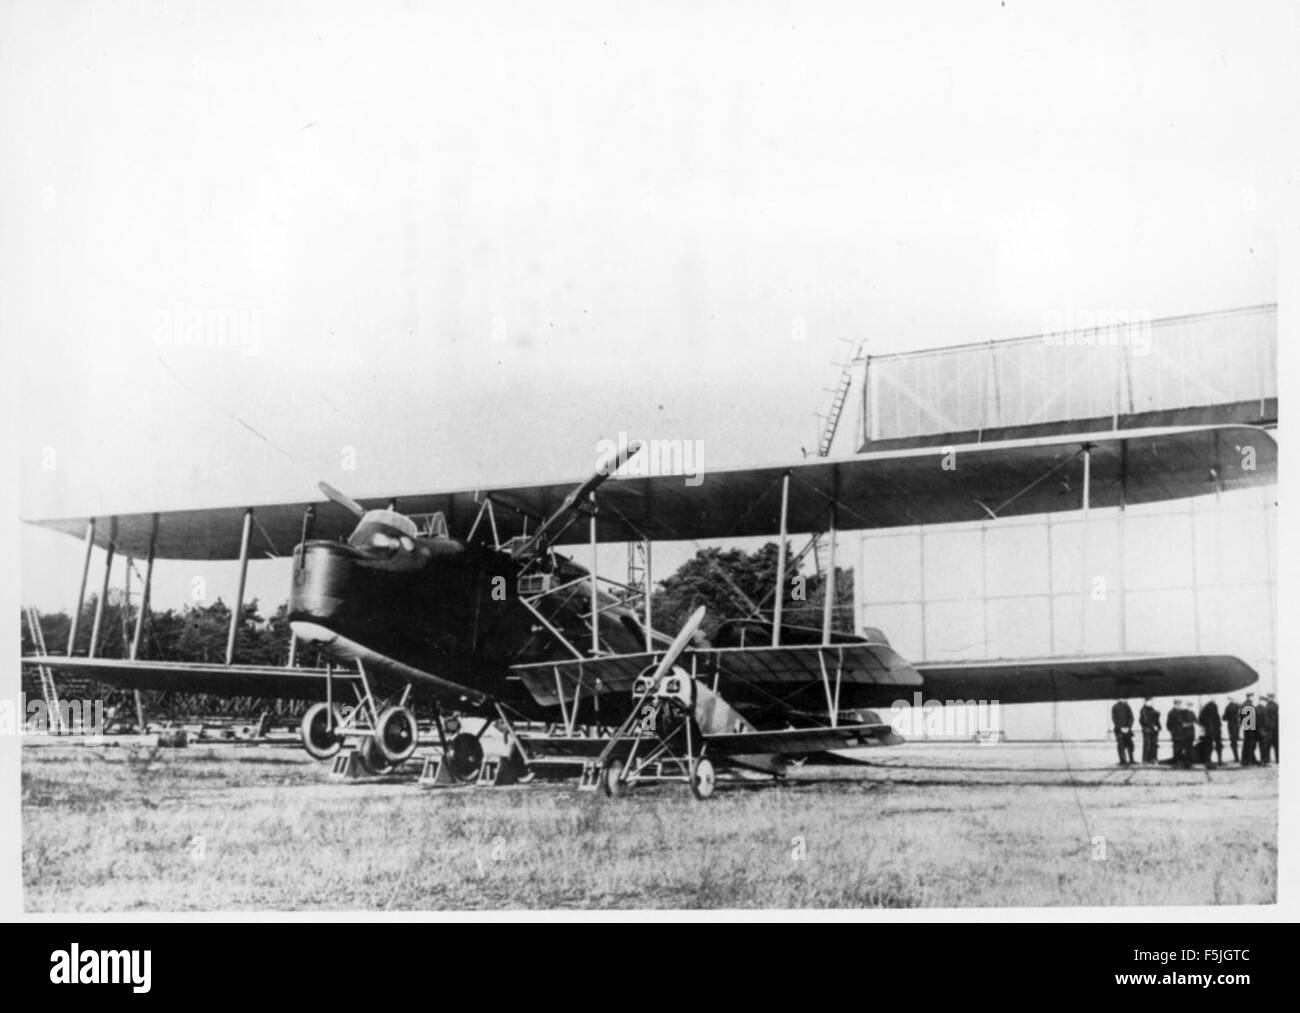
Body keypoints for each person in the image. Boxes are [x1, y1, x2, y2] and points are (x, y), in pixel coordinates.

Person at [1167, 700, 1196, 768]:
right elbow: (1170, 724)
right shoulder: (1172, 713)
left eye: (1180, 704)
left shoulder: (1181, 712)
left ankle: (1183, 763)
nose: (1179, 706)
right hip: (1177, 734)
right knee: (1177, 749)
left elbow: (1189, 716)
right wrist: (1172, 731)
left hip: (1182, 734)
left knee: (1183, 748)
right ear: (1175, 705)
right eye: (1178, 704)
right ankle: (1177, 763)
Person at [1111, 699, 1135, 766]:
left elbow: (1131, 718)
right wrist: (1124, 728)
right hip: (1120, 730)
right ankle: (1124, 760)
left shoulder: (1126, 706)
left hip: (1124, 729)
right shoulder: (1116, 707)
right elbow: (1114, 719)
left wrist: (1127, 727)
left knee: (1128, 745)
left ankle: (1129, 760)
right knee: (1122, 745)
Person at [1198, 699, 1223, 766]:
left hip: (1208, 732)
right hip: (1216, 731)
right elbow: (1219, 723)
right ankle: (1219, 760)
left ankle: (1208, 760)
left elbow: (1201, 721)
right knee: (1218, 746)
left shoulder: (1204, 713)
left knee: (1208, 747)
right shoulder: (1216, 714)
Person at [1139, 697, 1162, 764]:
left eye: (1152, 701)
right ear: (1146, 702)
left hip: (1153, 730)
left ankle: (1153, 758)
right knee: (1147, 745)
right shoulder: (1143, 710)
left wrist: (1158, 713)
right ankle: (1145, 760)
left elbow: (1156, 719)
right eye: (1150, 701)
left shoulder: (1152, 709)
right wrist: (1153, 726)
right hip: (1147, 730)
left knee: (1154, 745)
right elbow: (1145, 720)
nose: (1151, 702)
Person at [1240, 693, 1259, 765]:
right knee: (1251, 744)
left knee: (1247, 743)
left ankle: (1247, 759)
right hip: (1251, 727)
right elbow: (1253, 718)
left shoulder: (1243, 705)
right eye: (1253, 697)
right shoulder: (1250, 705)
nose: (1253, 698)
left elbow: (1241, 716)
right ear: (1250, 697)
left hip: (1246, 726)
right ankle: (1249, 760)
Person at [1257, 693, 1275, 765]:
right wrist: (1269, 728)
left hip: (1259, 730)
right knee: (1265, 746)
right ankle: (1264, 761)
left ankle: (1263, 760)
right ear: (1262, 701)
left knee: (1261, 746)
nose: (1265, 703)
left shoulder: (1256, 708)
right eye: (1265, 701)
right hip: (1264, 730)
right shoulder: (1263, 709)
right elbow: (1265, 721)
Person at [1224, 696, 1242, 763]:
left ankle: (1236, 757)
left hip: (1231, 726)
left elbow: (1224, 718)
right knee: (1236, 740)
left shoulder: (1228, 707)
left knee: (1233, 742)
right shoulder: (1237, 706)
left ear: (1229, 700)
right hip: (1237, 726)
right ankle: (1238, 757)